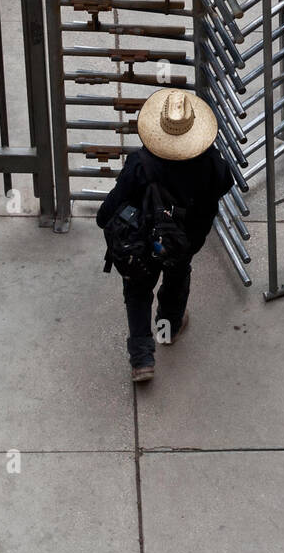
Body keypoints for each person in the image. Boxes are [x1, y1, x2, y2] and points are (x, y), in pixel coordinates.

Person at [96, 88, 233, 383]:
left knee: (137, 291)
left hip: (143, 244)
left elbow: (111, 206)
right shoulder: (209, 161)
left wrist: (106, 220)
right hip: (185, 239)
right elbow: (226, 182)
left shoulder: (141, 164)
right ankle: (168, 326)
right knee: (177, 274)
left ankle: (142, 360)